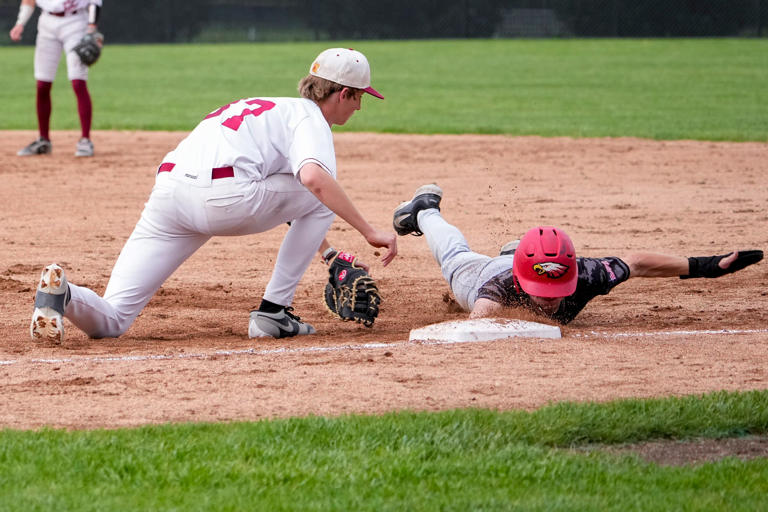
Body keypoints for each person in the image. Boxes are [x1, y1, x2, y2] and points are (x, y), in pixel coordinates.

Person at [30, 47, 397, 343]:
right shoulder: (311, 120)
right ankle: (274, 313)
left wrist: (329, 254)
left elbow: (288, 196)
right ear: (343, 92)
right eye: (359, 97)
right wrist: (369, 231)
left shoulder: (264, 107)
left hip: (169, 195)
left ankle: (63, 295)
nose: (359, 106)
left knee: (112, 321)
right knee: (324, 188)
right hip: (224, 196)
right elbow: (314, 181)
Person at [392, 184, 763, 323]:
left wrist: (709, 267)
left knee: (519, 261)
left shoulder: (585, 275)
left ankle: (519, 251)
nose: (552, 302)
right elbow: (481, 327)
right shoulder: (495, 295)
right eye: (543, 292)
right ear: (522, 281)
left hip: (520, 264)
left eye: (557, 290)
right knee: (455, 257)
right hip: (485, 274)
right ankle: (425, 210)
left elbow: (636, 263)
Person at [10, 0, 103, 157]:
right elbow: (29, 1)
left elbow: (94, 1)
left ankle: (85, 140)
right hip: (47, 23)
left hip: (76, 22)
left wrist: (92, 27)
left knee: (78, 82)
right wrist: (20, 23)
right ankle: (43, 140)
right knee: (42, 84)